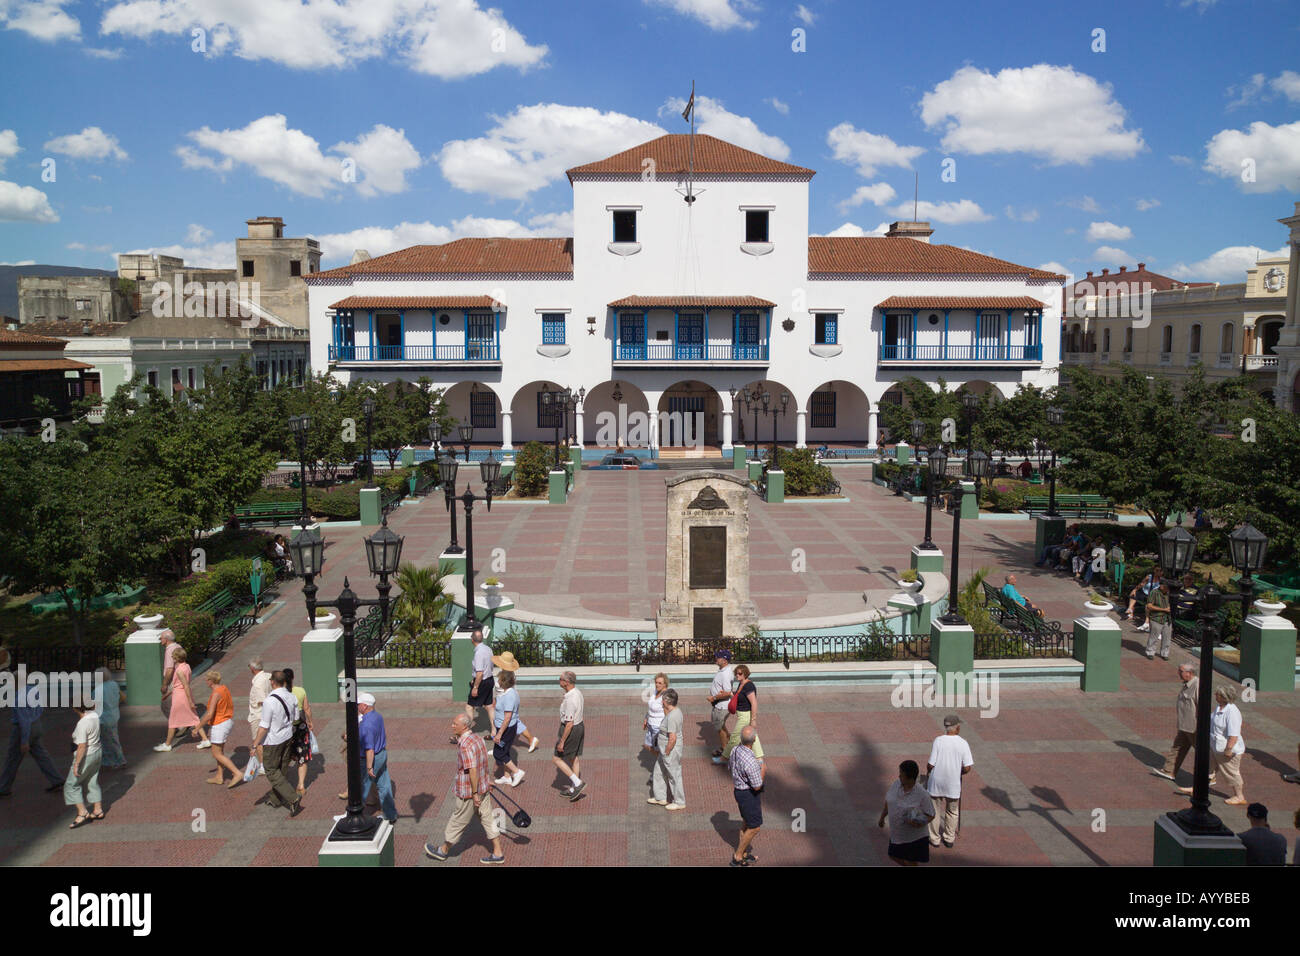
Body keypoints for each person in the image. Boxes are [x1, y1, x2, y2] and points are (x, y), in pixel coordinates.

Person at [424, 713, 505, 865]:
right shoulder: (478, 739)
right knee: (487, 818)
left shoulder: (466, 745)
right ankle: (498, 852)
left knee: (458, 820)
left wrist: (474, 793)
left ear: (465, 726)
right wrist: (487, 780)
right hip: (483, 788)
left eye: (455, 724)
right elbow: (484, 761)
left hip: (469, 792)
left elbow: (472, 769)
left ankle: (443, 851)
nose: (452, 726)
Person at [1179, 686, 1246, 805]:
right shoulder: (1220, 707)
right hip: (1215, 746)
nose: (1215, 695)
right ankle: (1198, 789)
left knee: (1231, 772)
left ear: (1224, 697)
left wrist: (1228, 749)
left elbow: (1234, 735)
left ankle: (1239, 796)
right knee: (1205, 768)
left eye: (1218, 694)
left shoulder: (1232, 712)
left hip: (1226, 750)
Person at [0, 673, 64, 796]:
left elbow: (23, 721)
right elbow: (41, 708)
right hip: (36, 724)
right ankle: (57, 779)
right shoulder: (33, 691)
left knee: (12, 759)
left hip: (23, 729)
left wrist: (24, 741)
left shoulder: (19, 698)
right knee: (41, 755)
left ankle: (4, 787)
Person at [251, 670, 303, 816]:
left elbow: (264, 726)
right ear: (285, 681)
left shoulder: (269, 701)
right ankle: (276, 798)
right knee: (282, 767)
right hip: (287, 736)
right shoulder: (291, 696)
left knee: (271, 770)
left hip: (273, 740)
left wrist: (255, 744)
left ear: (272, 682)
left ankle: (293, 798)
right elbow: (296, 717)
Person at [1153, 664, 1213, 785]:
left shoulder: (1197, 685)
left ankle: (1211, 776)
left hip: (1194, 727)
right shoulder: (1187, 685)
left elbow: (1202, 707)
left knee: (1202, 752)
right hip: (1184, 726)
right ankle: (1169, 771)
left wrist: (1201, 727)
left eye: (1180, 671)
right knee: (1177, 748)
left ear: (1189, 673)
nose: (1178, 673)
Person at [926, 715, 973, 849]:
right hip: (953, 783)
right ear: (957, 727)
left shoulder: (938, 741)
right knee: (952, 811)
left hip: (937, 782)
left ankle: (934, 839)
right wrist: (959, 772)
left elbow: (931, 764)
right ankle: (949, 838)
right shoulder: (963, 743)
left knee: (934, 810)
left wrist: (928, 772)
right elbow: (968, 767)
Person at [879, 759, 936, 866]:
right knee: (893, 855)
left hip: (914, 837)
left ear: (910, 778)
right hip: (897, 833)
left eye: (901, 775)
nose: (899, 776)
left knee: (911, 861)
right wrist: (882, 818)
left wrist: (919, 822)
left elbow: (931, 815)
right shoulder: (896, 785)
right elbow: (888, 801)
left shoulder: (922, 794)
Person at [154, 647, 209, 752]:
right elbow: (181, 685)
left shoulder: (179, 670)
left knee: (173, 721)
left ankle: (168, 744)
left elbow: (184, 686)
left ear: (176, 658)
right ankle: (205, 739)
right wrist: (169, 694)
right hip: (183, 695)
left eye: (173, 657)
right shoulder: (187, 666)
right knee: (194, 718)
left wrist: (190, 701)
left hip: (180, 697)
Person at [357, 693, 397, 823]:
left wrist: (369, 767)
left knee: (363, 786)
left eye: (358, 704)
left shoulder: (366, 724)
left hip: (371, 759)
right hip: (382, 754)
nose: (357, 706)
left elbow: (369, 749)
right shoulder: (377, 717)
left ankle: (356, 815)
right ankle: (390, 815)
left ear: (365, 706)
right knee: (384, 784)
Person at [728, 725, 765, 866]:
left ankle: (743, 854)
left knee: (746, 822)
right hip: (748, 795)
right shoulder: (751, 762)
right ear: (754, 740)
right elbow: (757, 786)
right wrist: (762, 770)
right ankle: (738, 856)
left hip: (738, 790)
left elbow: (730, 767)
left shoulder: (735, 750)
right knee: (755, 827)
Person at [65, 699, 104, 828]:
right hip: (97, 752)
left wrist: (76, 764)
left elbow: (82, 746)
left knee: (71, 785)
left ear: (76, 709)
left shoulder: (82, 723)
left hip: (86, 755)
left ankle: (82, 812)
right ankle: (98, 810)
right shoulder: (95, 716)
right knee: (92, 780)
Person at [199, 671, 242, 788]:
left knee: (216, 754)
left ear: (210, 681)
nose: (205, 681)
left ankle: (237, 773)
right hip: (226, 722)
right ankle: (219, 776)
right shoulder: (223, 688)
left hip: (219, 724)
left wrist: (197, 727)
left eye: (207, 679)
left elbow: (209, 714)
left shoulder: (216, 693)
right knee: (220, 752)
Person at [491, 652, 539, 753]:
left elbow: (500, 692)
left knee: (509, 721)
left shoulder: (505, 676)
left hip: (505, 702)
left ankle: (500, 746)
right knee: (513, 721)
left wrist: (496, 701)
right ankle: (500, 745)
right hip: (506, 700)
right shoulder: (508, 673)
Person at [720, 664, 764, 764]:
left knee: (735, 737)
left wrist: (753, 719)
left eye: (740, 673)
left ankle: (724, 758)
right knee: (753, 736)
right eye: (736, 673)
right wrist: (728, 693)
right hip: (742, 715)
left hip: (745, 716)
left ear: (745, 674)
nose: (737, 675)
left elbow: (754, 702)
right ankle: (759, 758)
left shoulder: (749, 686)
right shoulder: (742, 684)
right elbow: (738, 696)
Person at [552, 671, 586, 801]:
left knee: (556, 759)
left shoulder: (571, 699)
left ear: (566, 682)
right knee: (574, 758)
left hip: (570, 730)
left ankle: (577, 783)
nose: (558, 681)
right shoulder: (577, 693)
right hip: (579, 727)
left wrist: (562, 741)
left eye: (560, 679)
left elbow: (569, 723)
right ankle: (573, 788)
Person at [650, 689, 685, 810]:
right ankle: (660, 797)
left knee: (673, 774)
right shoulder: (673, 712)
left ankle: (679, 801)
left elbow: (672, 738)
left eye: (662, 699)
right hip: (665, 750)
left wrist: (667, 751)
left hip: (669, 750)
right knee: (659, 770)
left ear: (666, 701)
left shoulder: (673, 717)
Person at [283, 667, 315, 798]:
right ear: (293, 678)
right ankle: (301, 785)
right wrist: (310, 721)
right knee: (302, 757)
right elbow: (306, 708)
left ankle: (282, 783)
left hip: (286, 729)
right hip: (301, 727)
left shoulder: (281, 694)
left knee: (284, 755)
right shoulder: (300, 691)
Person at [491, 669, 525, 789]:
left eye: (499, 679)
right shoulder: (506, 693)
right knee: (505, 751)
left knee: (498, 753)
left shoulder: (510, 695)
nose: (497, 681)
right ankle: (507, 776)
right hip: (504, 727)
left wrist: (499, 733)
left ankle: (517, 772)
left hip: (506, 729)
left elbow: (507, 717)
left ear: (503, 681)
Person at [243, 658, 271, 782]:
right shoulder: (268, 676)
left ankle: (263, 766)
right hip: (266, 715)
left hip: (259, 715)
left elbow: (262, 700)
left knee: (258, 741)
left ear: (252, 669)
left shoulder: (258, 683)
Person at [95, 667, 127, 770]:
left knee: (107, 741)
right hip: (114, 715)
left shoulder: (98, 689)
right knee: (112, 739)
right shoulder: (114, 684)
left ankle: (116, 761)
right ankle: (113, 761)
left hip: (103, 718)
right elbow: (123, 697)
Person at [707, 649, 736, 760]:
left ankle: (725, 750)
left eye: (718, 657)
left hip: (722, 706)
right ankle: (729, 745)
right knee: (721, 726)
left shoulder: (726, 674)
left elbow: (728, 692)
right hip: (718, 705)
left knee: (720, 728)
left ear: (724, 660)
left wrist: (713, 697)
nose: (716, 659)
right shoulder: (723, 670)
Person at [465, 626, 495, 729]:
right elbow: (490, 666)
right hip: (490, 680)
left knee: (469, 706)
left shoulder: (478, 653)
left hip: (481, 682)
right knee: (489, 706)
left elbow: (480, 673)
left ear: (472, 640)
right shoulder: (488, 649)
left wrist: (475, 687)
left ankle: (466, 731)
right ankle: (494, 730)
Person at [159, 628, 183, 727]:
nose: (160, 640)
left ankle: (179, 725)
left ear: (166, 639)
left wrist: (164, 685)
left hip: (173, 682)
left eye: (161, 638)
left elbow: (169, 669)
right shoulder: (178, 646)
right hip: (180, 681)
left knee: (166, 706)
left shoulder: (170, 650)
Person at [1144, 580, 1173, 660]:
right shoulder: (1154, 592)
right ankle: (1150, 652)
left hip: (1167, 618)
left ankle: (1165, 654)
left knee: (1167, 638)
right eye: (1166, 587)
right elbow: (1149, 606)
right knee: (1154, 637)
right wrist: (1164, 609)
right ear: (1161, 586)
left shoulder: (1169, 593)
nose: (1167, 589)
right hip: (1156, 618)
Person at [643, 673, 668, 753]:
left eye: (660, 683)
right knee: (647, 746)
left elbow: (669, 713)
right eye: (656, 682)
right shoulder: (655, 692)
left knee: (658, 750)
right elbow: (651, 707)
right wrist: (646, 718)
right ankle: (661, 762)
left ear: (665, 684)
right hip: (650, 724)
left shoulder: (666, 696)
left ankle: (662, 763)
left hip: (658, 727)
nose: (657, 684)